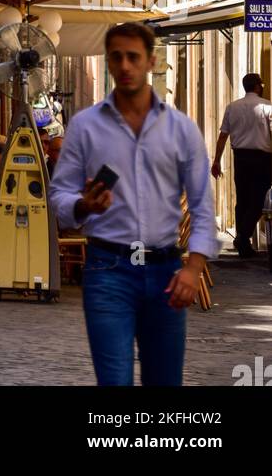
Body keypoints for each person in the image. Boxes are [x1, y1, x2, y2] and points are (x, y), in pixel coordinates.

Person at [49, 22, 218, 387]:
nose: (125, 66)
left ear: (151, 62)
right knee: (114, 381)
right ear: (108, 62)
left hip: (165, 272)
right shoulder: (85, 126)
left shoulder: (181, 129)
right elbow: (58, 195)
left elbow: (204, 207)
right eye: (117, 57)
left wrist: (193, 268)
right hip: (108, 269)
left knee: (165, 382)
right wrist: (83, 207)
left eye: (133, 57)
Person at [211, 72, 272, 257]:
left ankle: (243, 244)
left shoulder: (232, 107)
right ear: (258, 86)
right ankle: (242, 238)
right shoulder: (267, 106)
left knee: (243, 200)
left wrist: (216, 160)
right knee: (257, 200)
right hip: (262, 159)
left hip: (240, 158)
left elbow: (223, 135)